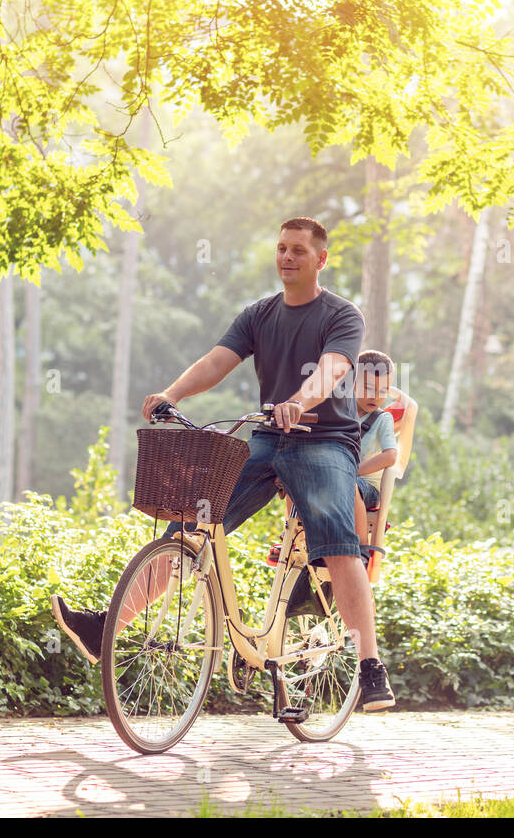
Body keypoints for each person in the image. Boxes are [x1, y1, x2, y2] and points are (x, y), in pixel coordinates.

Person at [51, 217, 395, 710]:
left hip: (323, 442)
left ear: (320, 260)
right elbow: (218, 360)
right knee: (191, 523)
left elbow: (333, 369)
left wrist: (300, 400)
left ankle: (369, 667)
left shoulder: (341, 315)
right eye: (280, 248)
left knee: (340, 545)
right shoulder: (259, 315)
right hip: (269, 437)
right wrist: (171, 393)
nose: (287, 257)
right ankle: (107, 627)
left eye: (299, 250)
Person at [352, 350, 398, 565]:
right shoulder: (342, 412)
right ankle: (290, 535)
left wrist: (355, 470)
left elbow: (390, 456)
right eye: (368, 388)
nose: (375, 396)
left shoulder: (383, 419)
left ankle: (361, 550)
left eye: (382, 390)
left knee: (347, 484)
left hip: (366, 487)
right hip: (336, 475)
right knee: (293, 474)